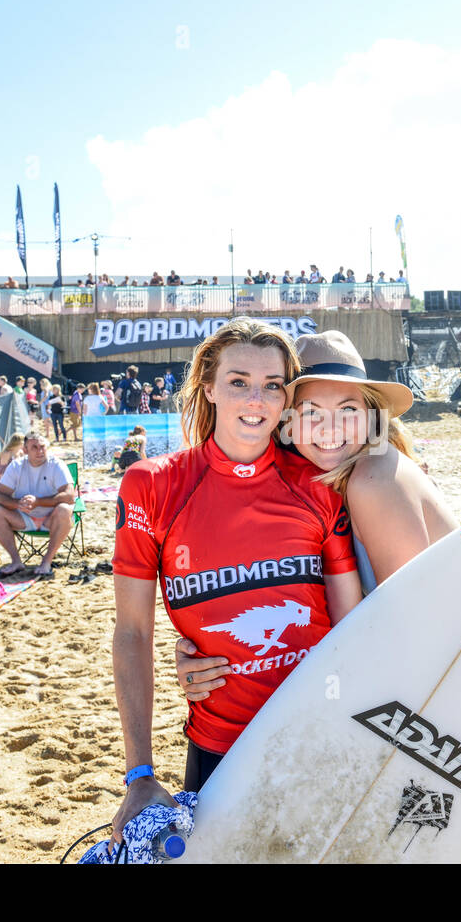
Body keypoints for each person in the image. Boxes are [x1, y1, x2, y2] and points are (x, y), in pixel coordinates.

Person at [169, 328, 461, 863]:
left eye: (348, 407)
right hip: (434, 724)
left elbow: (437, 639)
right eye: (310, 410)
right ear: (285, 421)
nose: (329, 428)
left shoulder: (373, 479)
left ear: (374, 415)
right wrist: (199, 652)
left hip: (457, 725)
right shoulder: (319, 488)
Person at [107, 318, 362, 844]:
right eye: (239, 381)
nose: (257, 399)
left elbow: (355, 624)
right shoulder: (151, 485)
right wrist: (139, 774)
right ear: (208, 387)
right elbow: (133, 632)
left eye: (273, 385)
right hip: (218, 748)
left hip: (320, 734)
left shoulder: (318, 484)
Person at [0, 432, 75, 578]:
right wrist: (18, 503)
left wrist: (39, 502)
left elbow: (69, 496)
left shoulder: (56, 464)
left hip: (51, 518)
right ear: (25, 450)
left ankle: (46, 561)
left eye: (42, 447)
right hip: (24, 516)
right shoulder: (16, 466)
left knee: (64, 509)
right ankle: (16, 561)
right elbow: (0, 497)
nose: (40, 451)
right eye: (34, 447)